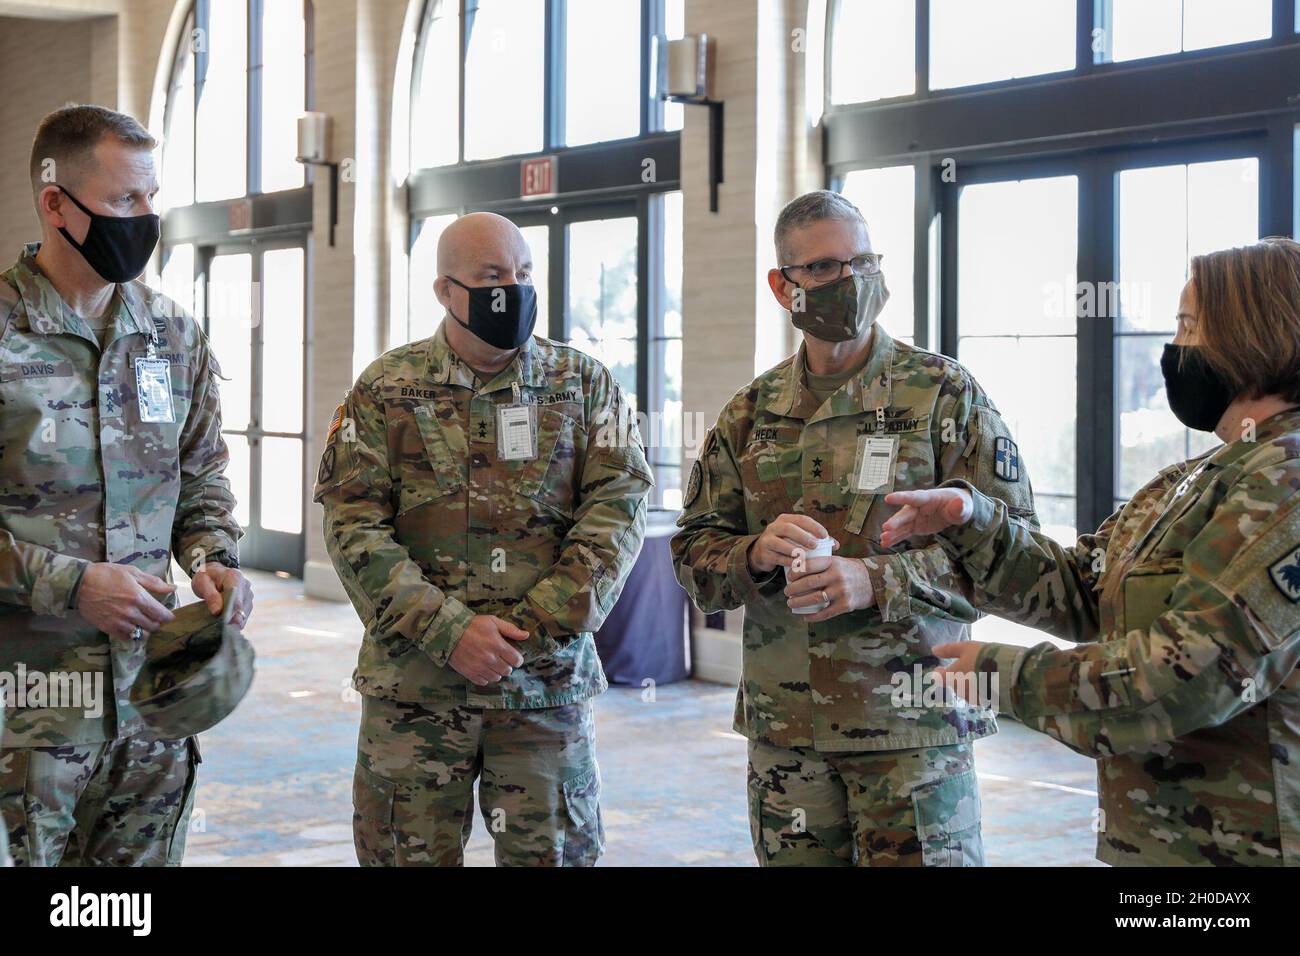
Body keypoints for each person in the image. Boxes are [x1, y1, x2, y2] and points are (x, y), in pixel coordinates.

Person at [884, 237, 1300, 866]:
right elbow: (1085, 590)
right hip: (1167, 845)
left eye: (1189, 325)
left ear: (1252, 336)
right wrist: (973, 522)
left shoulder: (1285, 481)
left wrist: (1005, 676)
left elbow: (1195, 675)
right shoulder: (1203, 475)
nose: (1174, 348)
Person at [671, 190, 1037, 866]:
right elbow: (694, 556)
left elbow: (1018, 558)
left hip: (914, 729)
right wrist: (753, 553)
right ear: (785, 288)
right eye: (826, 268)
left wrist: (878, 580)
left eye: (863, 261)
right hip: (790, 737)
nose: (851, 281)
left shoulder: (942, 395)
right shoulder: (748, 415)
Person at [315, 212, 652, 867]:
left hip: (542, 689)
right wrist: (449, 632)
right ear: (445, 290)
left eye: (523, 273)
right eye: (492, 276)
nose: (514, 288)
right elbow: (353, 523)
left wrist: (529, 631)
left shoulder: (581, 384)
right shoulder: (388, 389)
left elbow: (618, 510)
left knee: (552, 856)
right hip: (415, 691)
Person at [0, 104, 250, 866]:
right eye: (123, 202)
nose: (146, 219)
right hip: (28, 709)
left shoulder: (170, 334)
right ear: (55, 204)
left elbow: (201, 474)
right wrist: (69, 585)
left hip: (151, 698)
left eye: (151, 198)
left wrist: (214, 556)